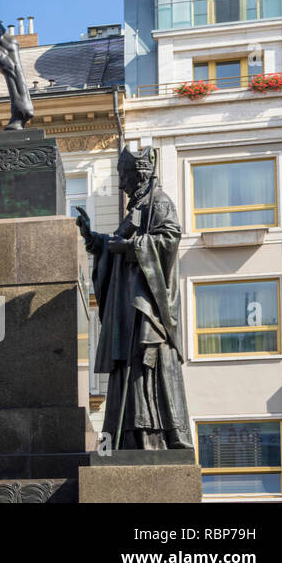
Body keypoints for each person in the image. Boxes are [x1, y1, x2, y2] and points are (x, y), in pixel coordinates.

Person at [77, 147, 193, 450]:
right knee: (126, 368)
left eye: (124, 176)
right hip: (127, 305)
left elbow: (169, 238)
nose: (121, 184)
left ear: (139, 174)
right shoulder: (137, 207)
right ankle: (124, 439)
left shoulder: (158, 202)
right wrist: (94, 239)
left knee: (145, 366)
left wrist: (132, 247)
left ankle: (152, 438)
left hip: (147, 307)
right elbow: (116, 243)